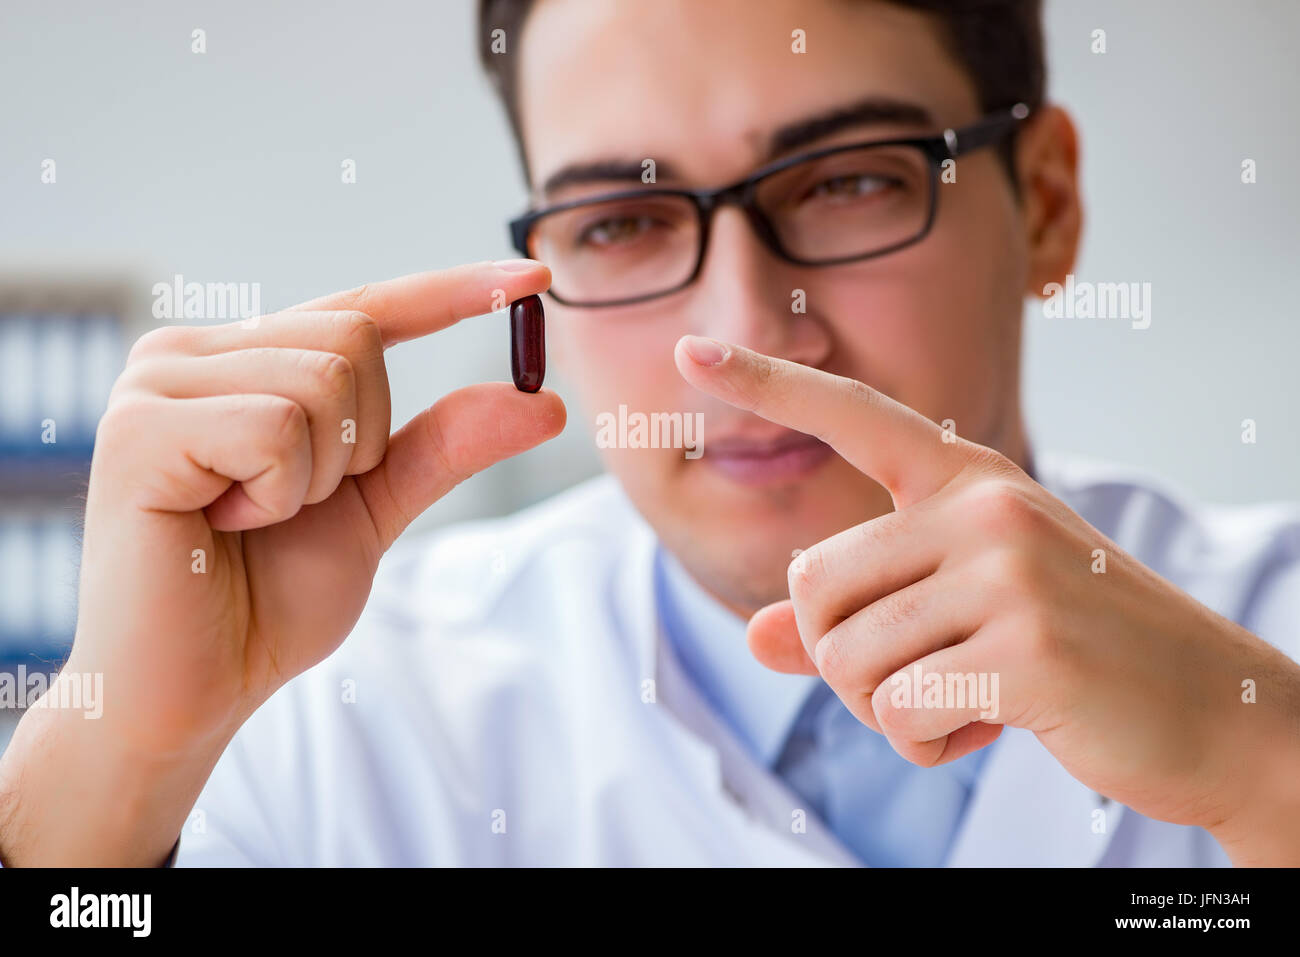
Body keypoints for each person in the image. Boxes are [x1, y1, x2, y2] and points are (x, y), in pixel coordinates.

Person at [1, 0, 1297, 868]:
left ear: (1051, 206)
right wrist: (118, 768)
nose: (741, 336)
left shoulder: (1272, 646)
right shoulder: (353, 723)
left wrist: (1260, 765)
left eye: (849, 181)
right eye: (622, 221)